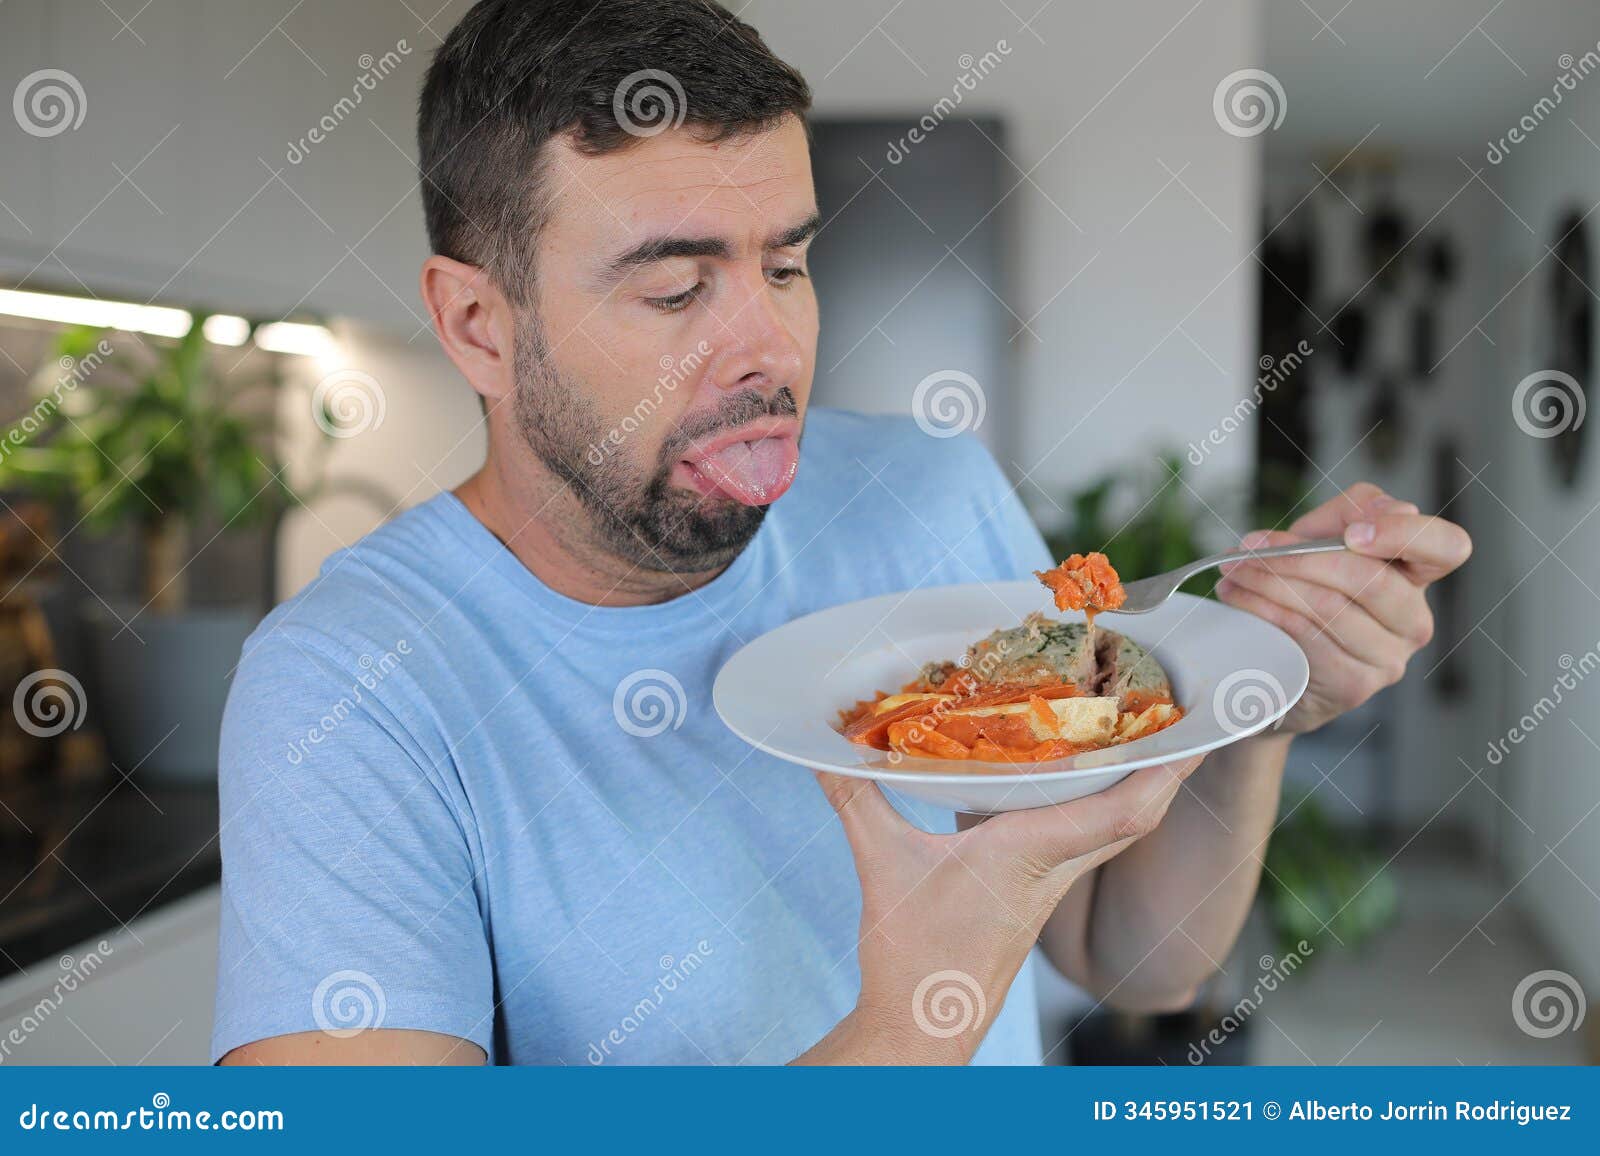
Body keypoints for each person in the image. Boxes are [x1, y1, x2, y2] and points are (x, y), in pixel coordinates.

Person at [213, 0, 1471, 1065]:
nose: (769, 349)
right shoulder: (347, 691)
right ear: (479, 325)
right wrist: (914, 1018)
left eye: (786, 266)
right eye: (673, 286)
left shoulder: (925, 495)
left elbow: (1129, 955)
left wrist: (1254, 704)